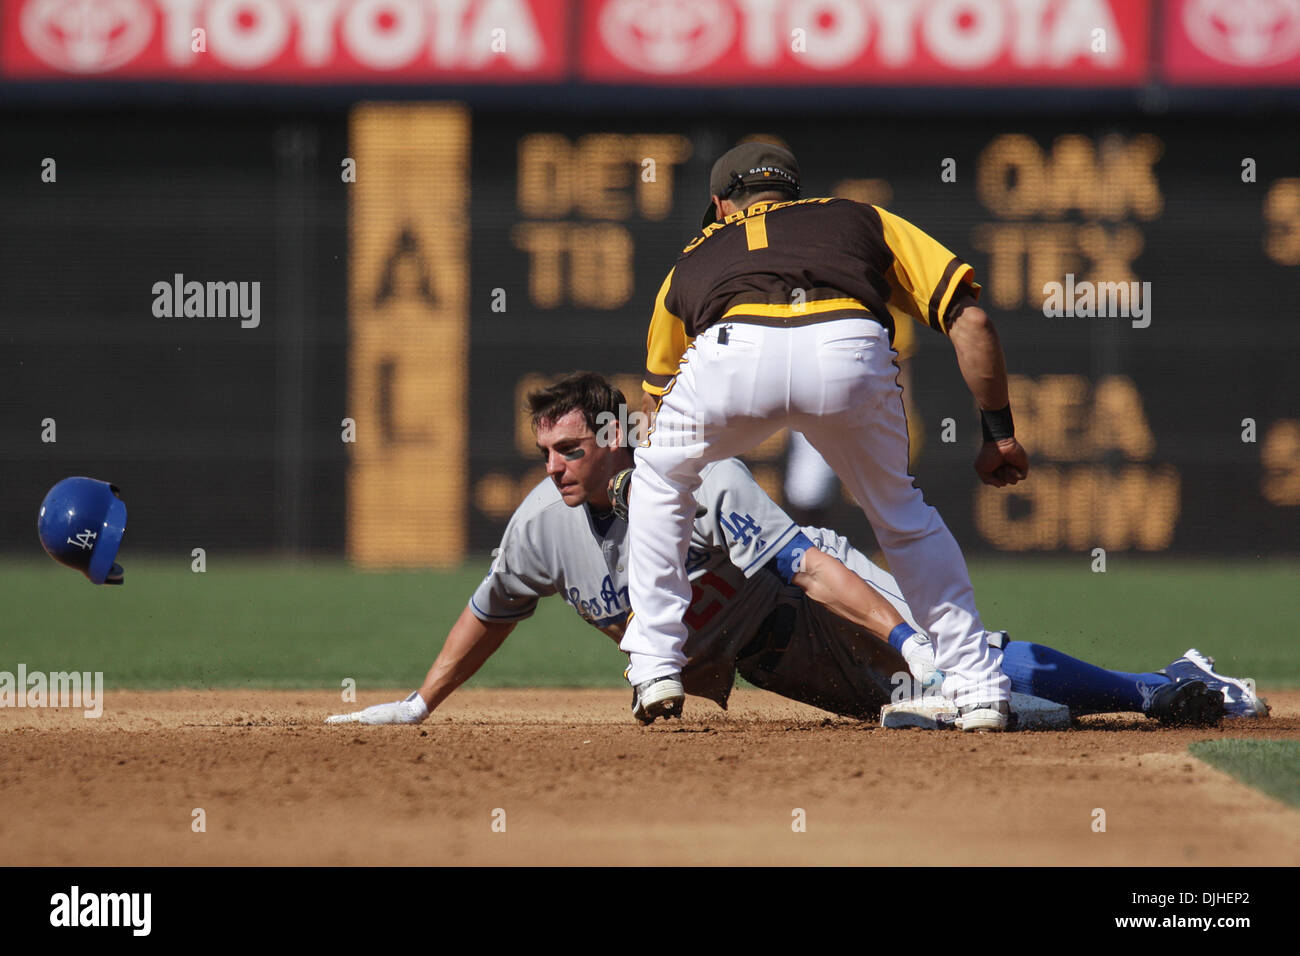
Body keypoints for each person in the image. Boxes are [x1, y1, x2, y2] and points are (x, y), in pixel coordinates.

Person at [326, 373, 1268, 728]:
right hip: (769, 657)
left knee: (952, 680)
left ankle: (1162, 689)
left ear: (616, 434)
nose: (555, 464)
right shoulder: (541, 522)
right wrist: (420, 703)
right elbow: (491, 609)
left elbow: (806, 569)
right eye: (545, 451)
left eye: (571, 447)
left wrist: (911, 643)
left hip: (816, 597)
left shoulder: (696, 479)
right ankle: (1123, 694)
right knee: (934, 725)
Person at [624, 140, 1029, 731]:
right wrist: (998, 434)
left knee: (660, 477)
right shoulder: (857, 216)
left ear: (719, 204)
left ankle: (658, 661)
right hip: (847, 348)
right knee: (901, 516)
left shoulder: (694, 256)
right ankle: (978, 687)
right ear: (793, 190)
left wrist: (670, 459)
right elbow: (973, 321)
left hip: (734, 353)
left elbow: (654, 403)